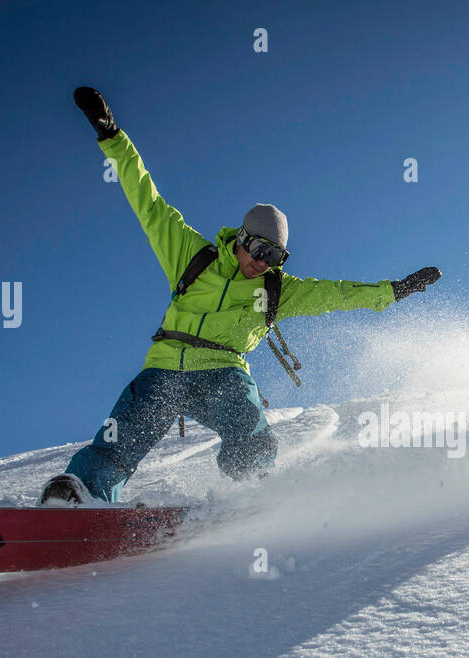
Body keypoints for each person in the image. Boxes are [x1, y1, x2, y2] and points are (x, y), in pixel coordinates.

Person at [41, 87, 441, 505]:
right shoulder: (191, 255)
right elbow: (148, 201)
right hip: (166, 368)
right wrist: (111, 135)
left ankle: (252, 501)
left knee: (250, 430)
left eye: (275, 256)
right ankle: (80, 496)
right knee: (121, 436)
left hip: (223, 372)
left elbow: (336, 294)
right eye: (259, 250)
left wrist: (392, 292)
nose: (263, 262)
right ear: (242, 239)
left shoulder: (275, 289)